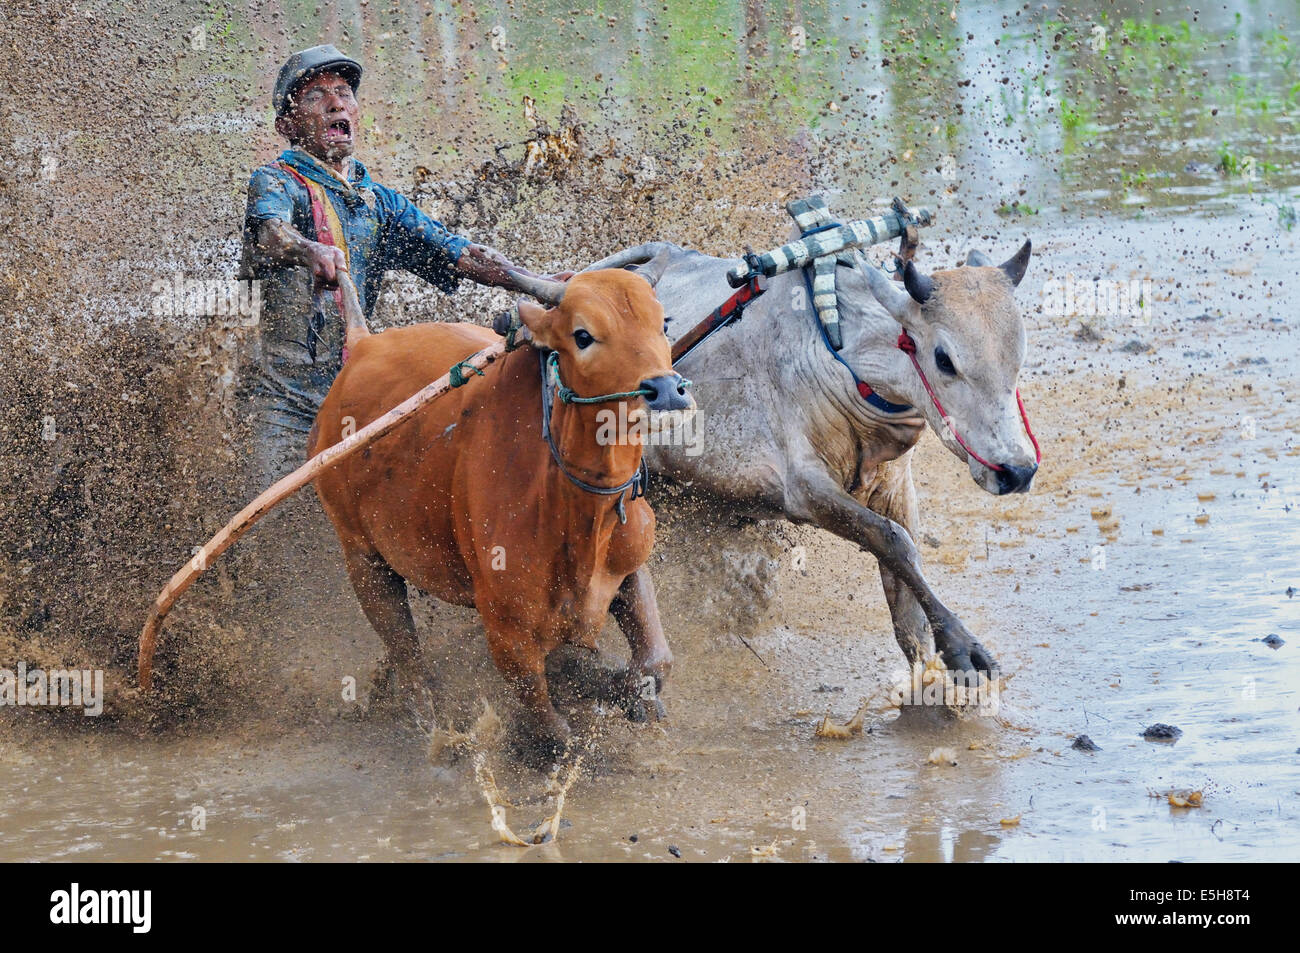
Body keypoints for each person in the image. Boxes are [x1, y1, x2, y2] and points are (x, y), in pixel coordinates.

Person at [238, 44, 559, 480]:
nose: (336, 103)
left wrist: (535, 284)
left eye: (344, 93)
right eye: (316, 96)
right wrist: (311, 250)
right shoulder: (276, 181)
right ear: (287, 124)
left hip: (355, 396)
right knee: (266, 517)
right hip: (284, 401)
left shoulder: (379, 202)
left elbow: (460, 253)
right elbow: (269, 233)